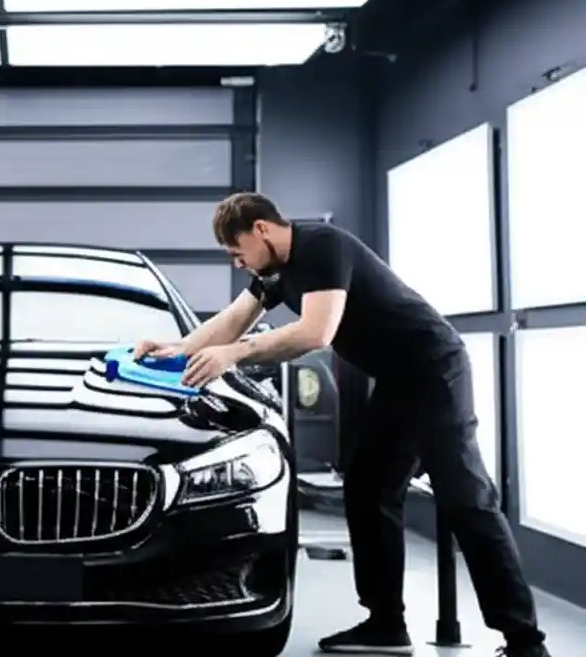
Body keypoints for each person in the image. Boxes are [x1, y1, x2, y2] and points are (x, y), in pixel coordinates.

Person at [133, 192, 549, 656]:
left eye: (237, 250)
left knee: (467, 500)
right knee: (368, 489)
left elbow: (315, 333)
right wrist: (177, 348)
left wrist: (235, 354)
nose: (237, 262)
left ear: (262, 230)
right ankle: (386, 624)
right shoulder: (274, 271)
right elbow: (232, 320)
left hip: (435, 370)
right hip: (397, 380)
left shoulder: (322, 247)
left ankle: (525, 640)